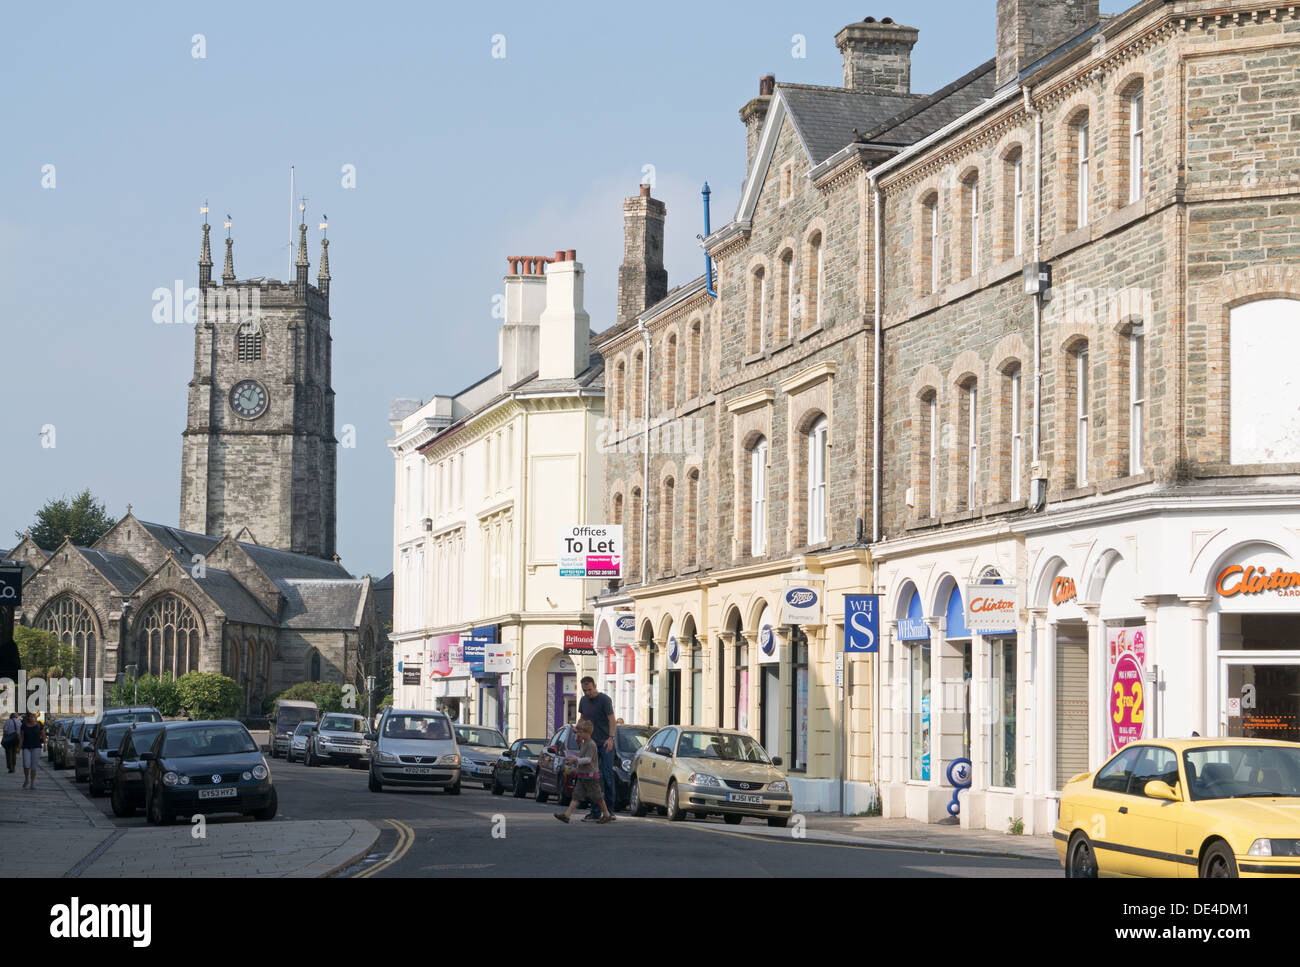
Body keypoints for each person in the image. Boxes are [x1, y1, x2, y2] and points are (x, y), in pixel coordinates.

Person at [553, 720, 612, 825]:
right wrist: (575, 768)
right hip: (583, 776)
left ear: (587, 732)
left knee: (597, 797)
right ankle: (567, 815)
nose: (578, 734)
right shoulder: (584, 744)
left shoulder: (591, 745)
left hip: (591, 777)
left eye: (580, 732)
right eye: (578, 732)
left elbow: (588, 760)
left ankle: (607, 814)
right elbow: (582, 759)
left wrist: (575, 760)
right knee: (576, 796)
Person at [576, 676, 616, 818]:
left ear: (595, 686)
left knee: (606, 776)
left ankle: (610, 810)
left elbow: (612, 719)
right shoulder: (583, 701)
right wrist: (578, 732)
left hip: (605, 744)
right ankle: (595, 811)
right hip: (591, 745)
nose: (588, 693)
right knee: (593, 778)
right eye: (585, 690)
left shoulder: (604, 700)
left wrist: (611, 738)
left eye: (590, 689)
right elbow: (582, 718)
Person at [19, 712, 45, 790]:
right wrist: (19, 747)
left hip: (36, 747)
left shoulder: (39, 725)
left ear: (35, 717)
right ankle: (26, 779)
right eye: (30, 717)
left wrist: (45, 746)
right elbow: (21, 737)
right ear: (28, 718)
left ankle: (32, 782)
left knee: (33, 766)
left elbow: (43, 735)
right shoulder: (24, 725)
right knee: (26, 764)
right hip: (26, 747)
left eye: (33, 717)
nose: (31, 718)